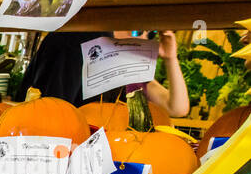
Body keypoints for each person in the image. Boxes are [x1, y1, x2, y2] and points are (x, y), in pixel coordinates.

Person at [21, 30, 190, 116]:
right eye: (137, 32)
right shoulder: (77, 46)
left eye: (150, 34)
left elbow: (177, 108)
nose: (144, 39)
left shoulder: (131, 72)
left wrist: (171, 58)